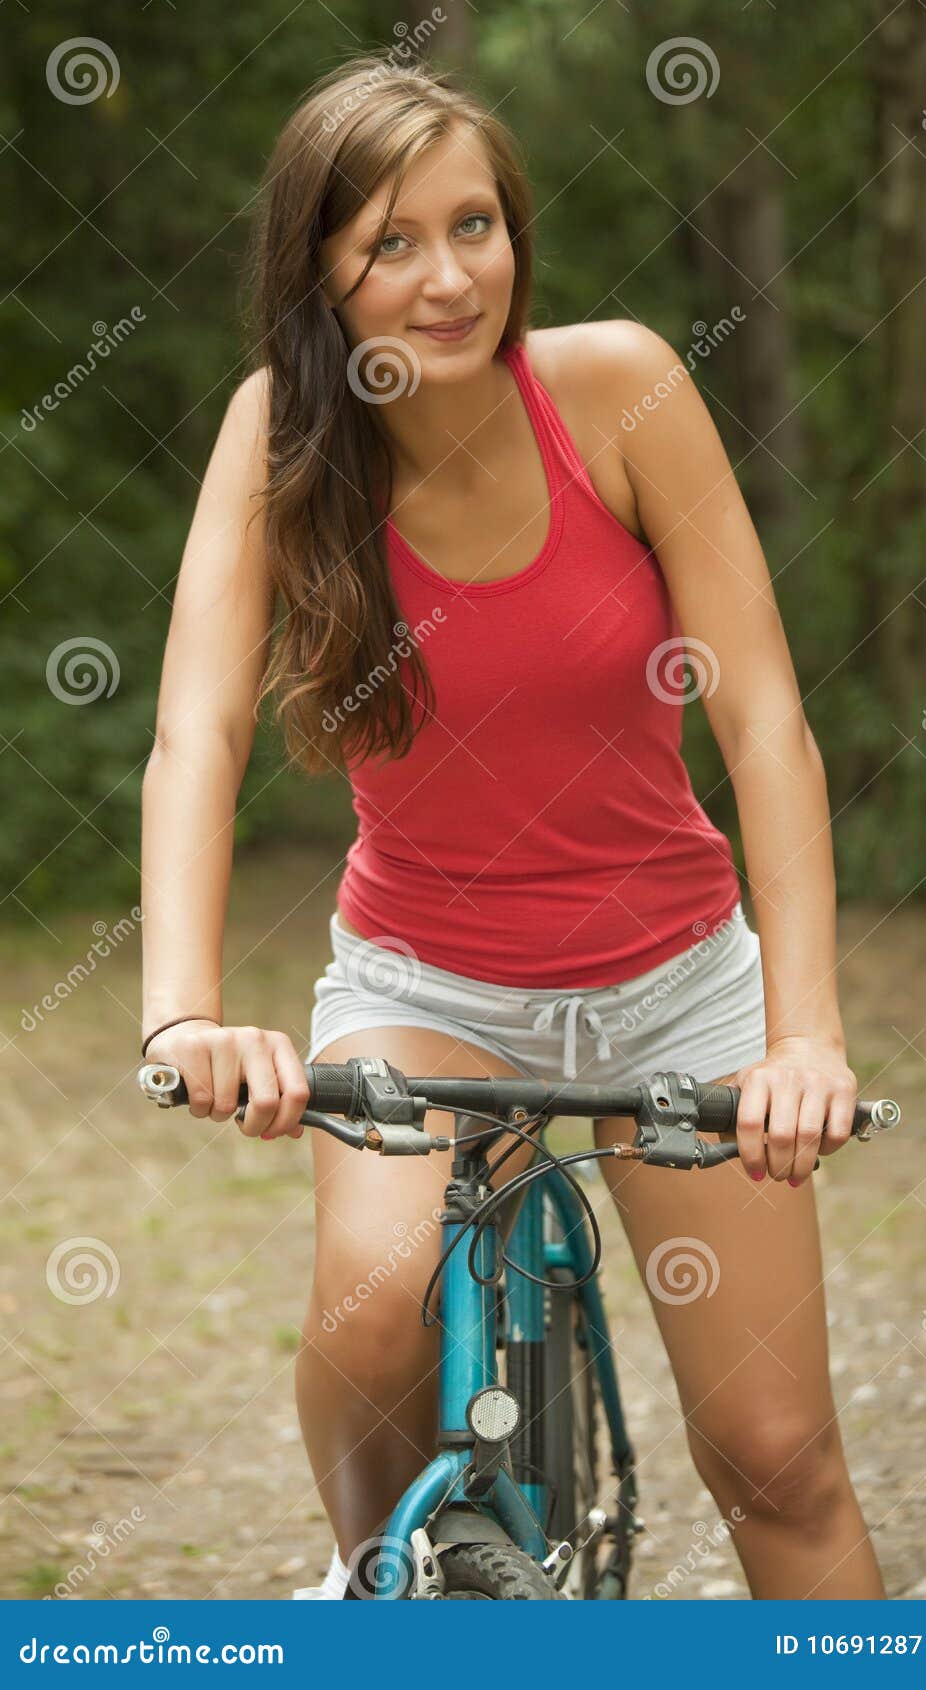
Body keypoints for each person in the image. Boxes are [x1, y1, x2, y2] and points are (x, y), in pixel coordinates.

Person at [140, 54, 885, 1602]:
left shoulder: (617, 388)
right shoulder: (281, 437)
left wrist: (802, 1036)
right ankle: (379, 1592)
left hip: (675, 982)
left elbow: (764, 725)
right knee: (369, 1313)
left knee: (776, 1454)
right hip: (429, 989)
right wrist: (187, 1012)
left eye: (474, 223)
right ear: (321, 276)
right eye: (391, 244)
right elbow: (195, 735)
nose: (448, 276)